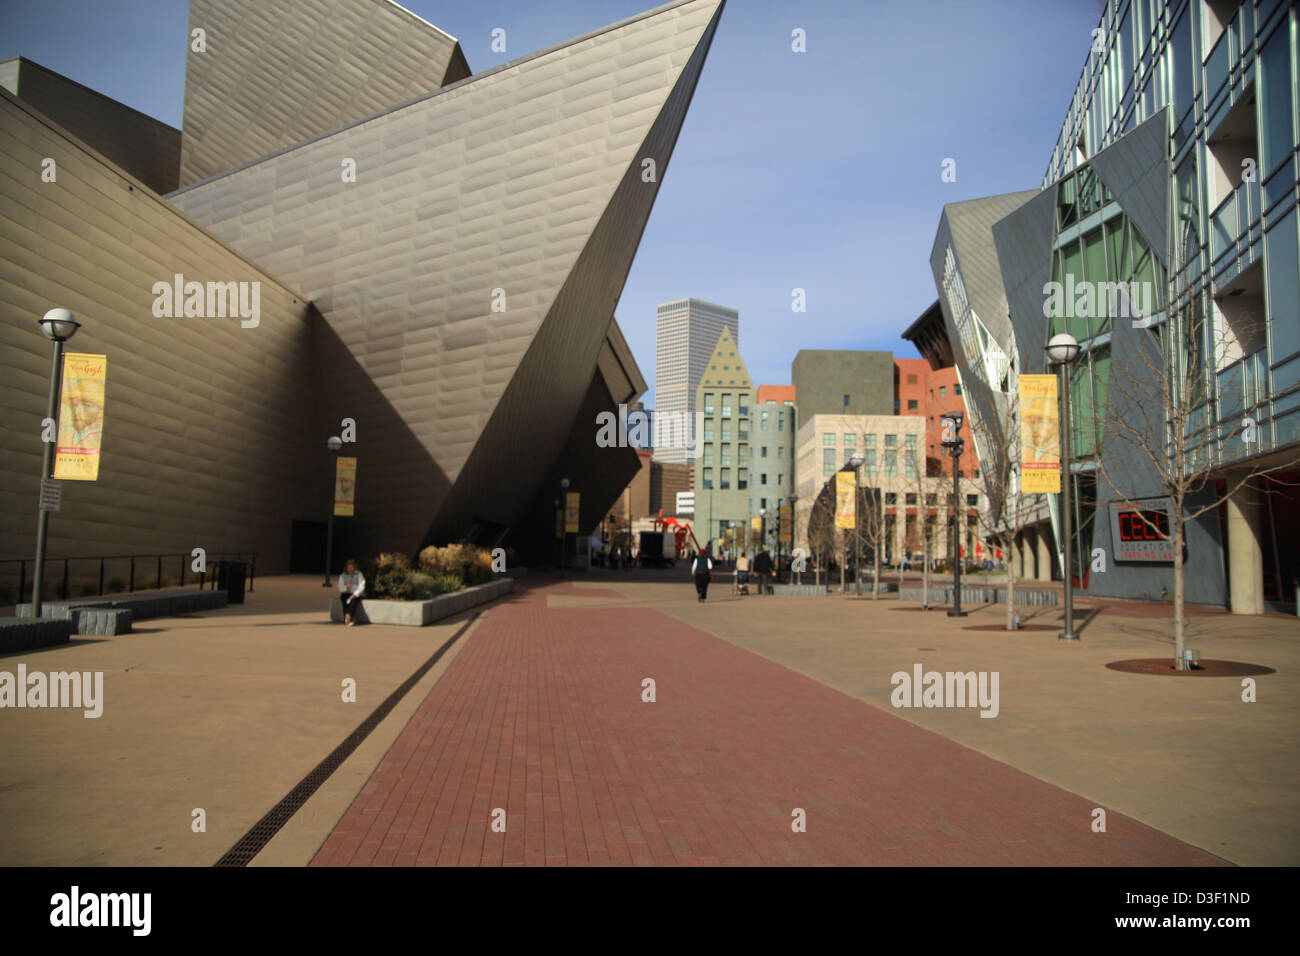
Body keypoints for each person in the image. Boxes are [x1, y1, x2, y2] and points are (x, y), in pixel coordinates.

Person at [337, 559, 365, 626]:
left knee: (352, 601)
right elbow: (340, 587)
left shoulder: (359, 574)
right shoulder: (343, 576)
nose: (350, 569)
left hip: (355, 593)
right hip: (346, 593)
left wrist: (355, 594)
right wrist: (346, 587)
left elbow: (362, 586)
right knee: (344, 600)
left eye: (352, 567)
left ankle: (349, 616)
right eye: (349, 568)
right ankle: (347, 618)